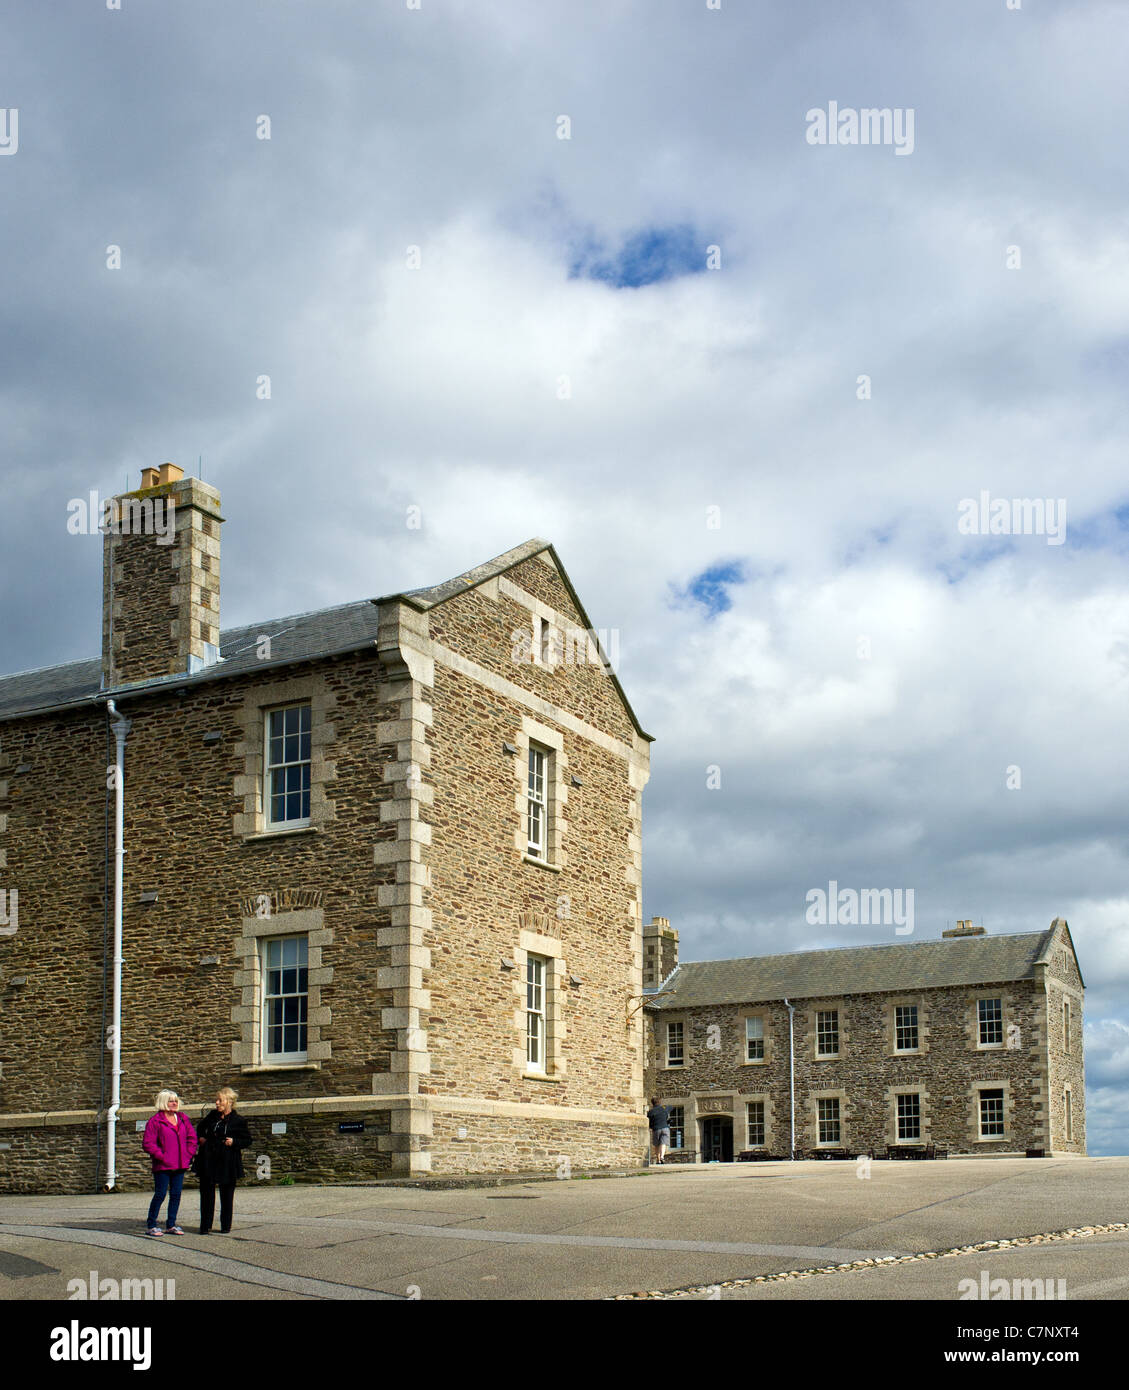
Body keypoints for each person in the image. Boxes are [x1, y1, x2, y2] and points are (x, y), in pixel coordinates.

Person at [196, 1086, 252, 1234]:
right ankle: (205, 1225)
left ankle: (225, 1225)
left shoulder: (238, 1120)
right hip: (209, 1158)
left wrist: (234, 1142)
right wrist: (201, 1138)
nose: (216, 1103)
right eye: (216, 1100)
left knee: (226, 1194)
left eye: (220, 1100)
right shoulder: (212, 1116)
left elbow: (247, 1140)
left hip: (227, 1160)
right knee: (207, 1193)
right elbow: (199, 1129)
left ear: (229, 1102)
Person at [142, 1089, 197, 1236]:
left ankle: (171, 1224)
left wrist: (188, 1154)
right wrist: (162, 1156)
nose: (174, 1103)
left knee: (176, 1194)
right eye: (170, 1100)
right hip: (163, 1166)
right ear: (163, 1102)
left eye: (175, 1100)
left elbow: (192, 1138)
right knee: (160, 1194)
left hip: (180, 1164)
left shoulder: (183, 1118)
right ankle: (151, 1224)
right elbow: (148, 1143)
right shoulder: (155, 1121)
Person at [646, 1096, 671, 1166]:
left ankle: (658, 1159)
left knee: (656, 1144)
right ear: (659, 1102)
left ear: (652, 1103)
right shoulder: (664, 1108)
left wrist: (651, 1127)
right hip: (665, 1128)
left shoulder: (651, 1112)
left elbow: (650, 1123)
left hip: (656, 1129)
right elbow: (670, 1107)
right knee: (663, 1143)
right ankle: (662, 1157)